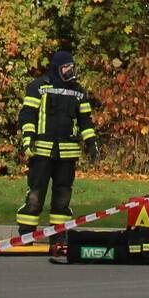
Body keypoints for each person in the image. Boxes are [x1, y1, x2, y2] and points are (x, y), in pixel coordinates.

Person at [17, 48, 99, 231]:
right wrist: (28, 140)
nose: (70, 70)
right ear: (56, 68)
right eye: (66, 67)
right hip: (42, 152)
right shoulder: (39, 87)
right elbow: (27, 115)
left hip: (68, 154)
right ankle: (26, 234)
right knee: (35, 195)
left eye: (72, 66)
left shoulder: (78, 92)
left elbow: (86, 121)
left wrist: (91, 144)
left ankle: (59, 236)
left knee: (62, 196)